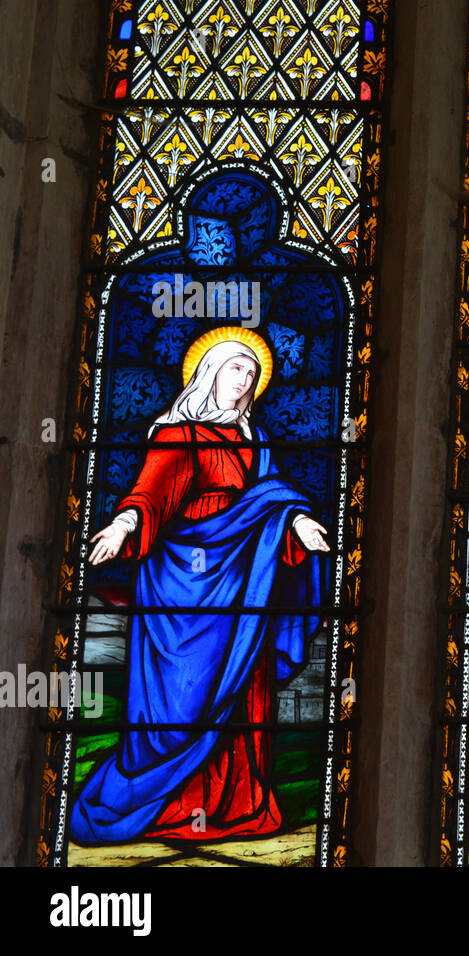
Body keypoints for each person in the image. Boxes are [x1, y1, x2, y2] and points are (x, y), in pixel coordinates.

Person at [70, 329, 330, 843]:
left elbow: (271, 499)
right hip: (184, 585)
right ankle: (163, 803)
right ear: (209, 373)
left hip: (246, 584)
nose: (246, 379)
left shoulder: (256, 442)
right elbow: (151, 493)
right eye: (237, 368)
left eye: (252, 373)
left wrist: (297, 523)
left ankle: (237, 806)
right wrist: (123, 527)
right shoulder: (178, 435)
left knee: (241, 689)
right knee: (182, 704)